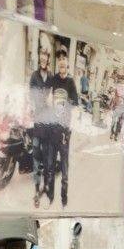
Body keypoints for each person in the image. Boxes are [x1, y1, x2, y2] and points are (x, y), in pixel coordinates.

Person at [46, 46, 78, 209]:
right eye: (60, 66)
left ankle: (64, 199)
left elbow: (75, 103)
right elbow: (46, 94)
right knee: (50, 168)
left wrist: (65, 112)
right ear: (58, 66)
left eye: (64, 66)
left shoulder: (71, 82)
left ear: (67, 67)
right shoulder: (54, 80)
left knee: (64, 171)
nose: (62, 69)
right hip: (53, 130)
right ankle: (50, 197)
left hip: (64, 132)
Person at [28, 40, 52, 208]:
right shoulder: (34, 76)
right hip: (37, 121)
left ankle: (46, 186)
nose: (43, 59)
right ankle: (36, 192)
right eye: (41, 56)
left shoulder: (51, 77)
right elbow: (30, 96)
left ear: (48, 59)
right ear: (39, 58)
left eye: (46, 56)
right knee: (36, 159)